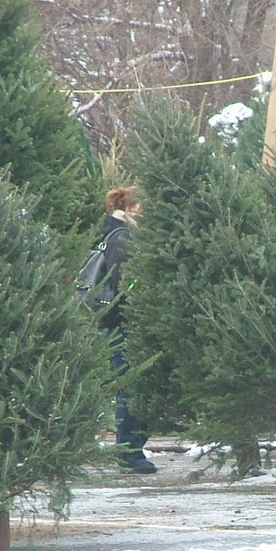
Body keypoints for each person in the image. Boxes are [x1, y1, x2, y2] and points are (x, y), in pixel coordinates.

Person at [98, 186, 157, 475]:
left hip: (129, 321)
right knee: (129, 385)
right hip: (123, 322)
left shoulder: (123, 234)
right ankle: (128, 451)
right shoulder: (122, 237)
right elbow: (125, 283)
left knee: (134, 384)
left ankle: (133, 448)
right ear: (134, 208)